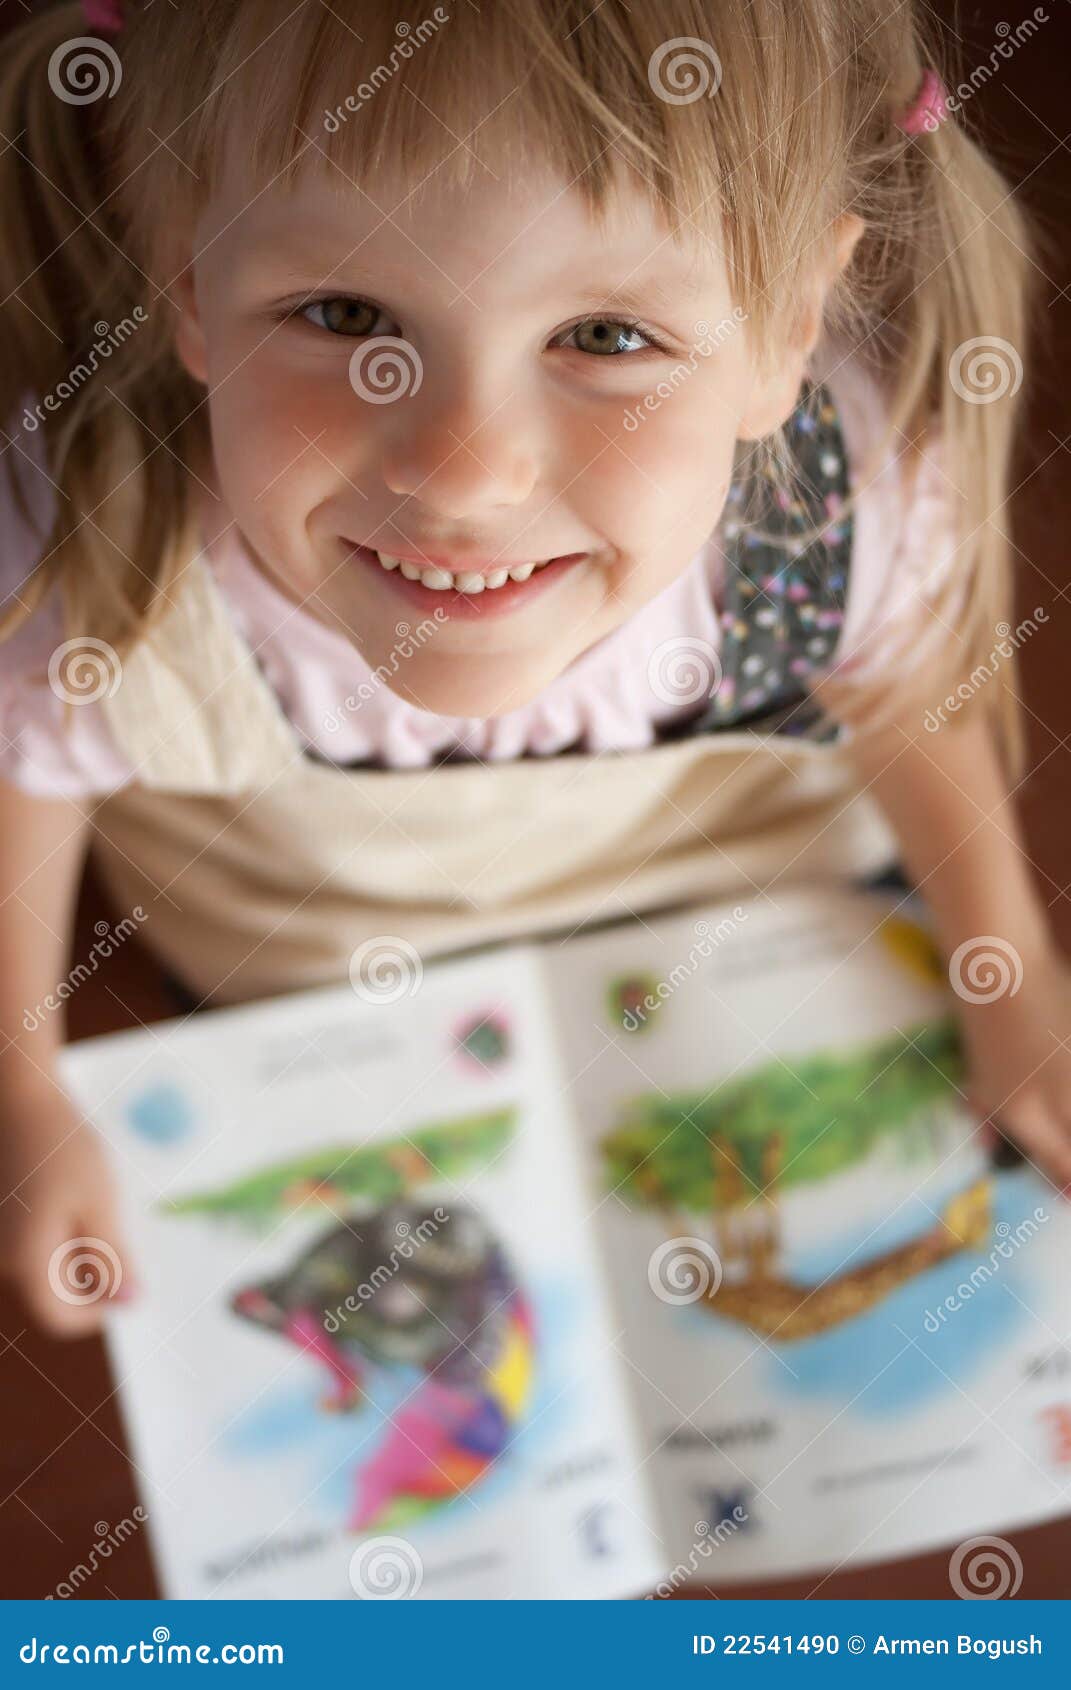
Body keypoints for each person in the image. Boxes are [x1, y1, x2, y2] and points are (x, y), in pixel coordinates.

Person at [1, 0, 1067, 1337]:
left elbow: (909, 689)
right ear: (184, 289)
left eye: (608, 336)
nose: (464, 473)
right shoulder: (104, 545)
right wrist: (28, 1093)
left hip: (748, 932)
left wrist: (1009, 964)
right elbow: (28, 761)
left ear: (790, 326)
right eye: (341, 314)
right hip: (322, 984)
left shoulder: (838, 507)